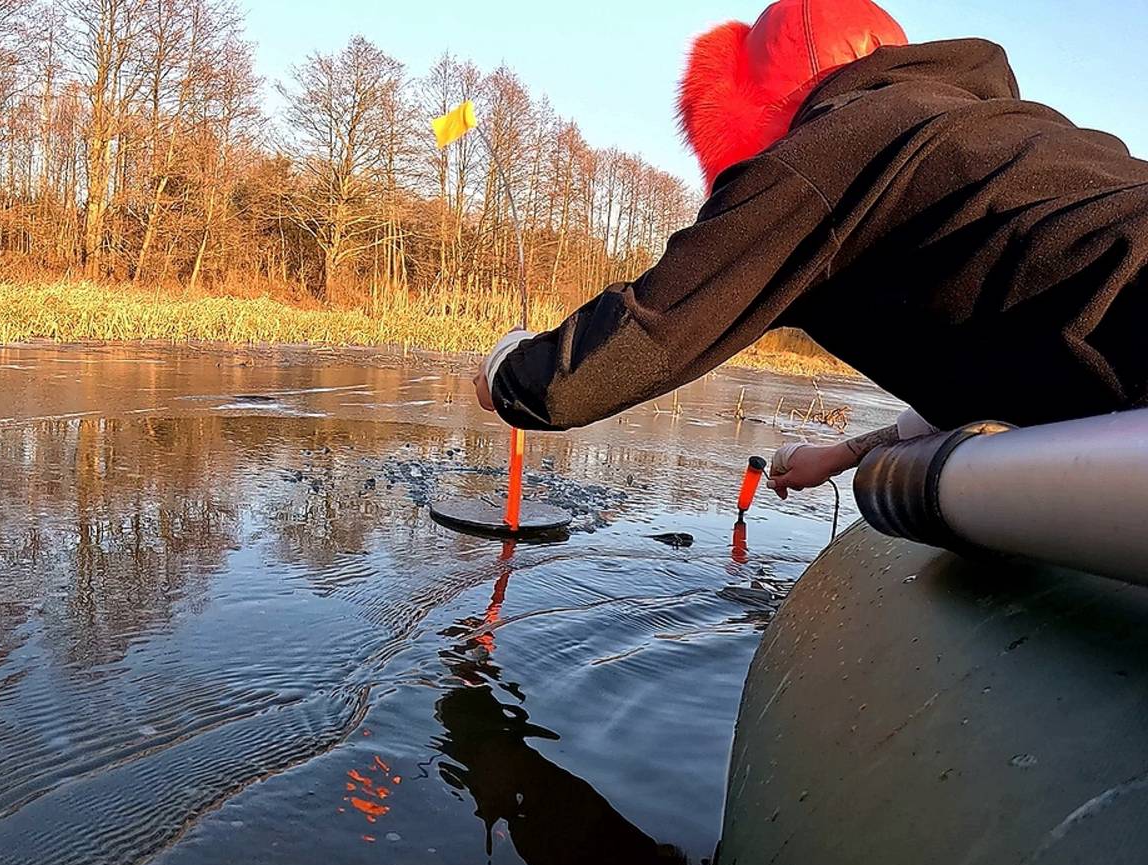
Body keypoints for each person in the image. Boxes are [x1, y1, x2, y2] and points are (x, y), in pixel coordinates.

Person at [473, 0, 1146, 496]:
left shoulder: (829, 147)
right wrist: (844, 453)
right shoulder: (999, 139)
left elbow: (646, 336)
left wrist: (510, 375)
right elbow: (1012, 358)